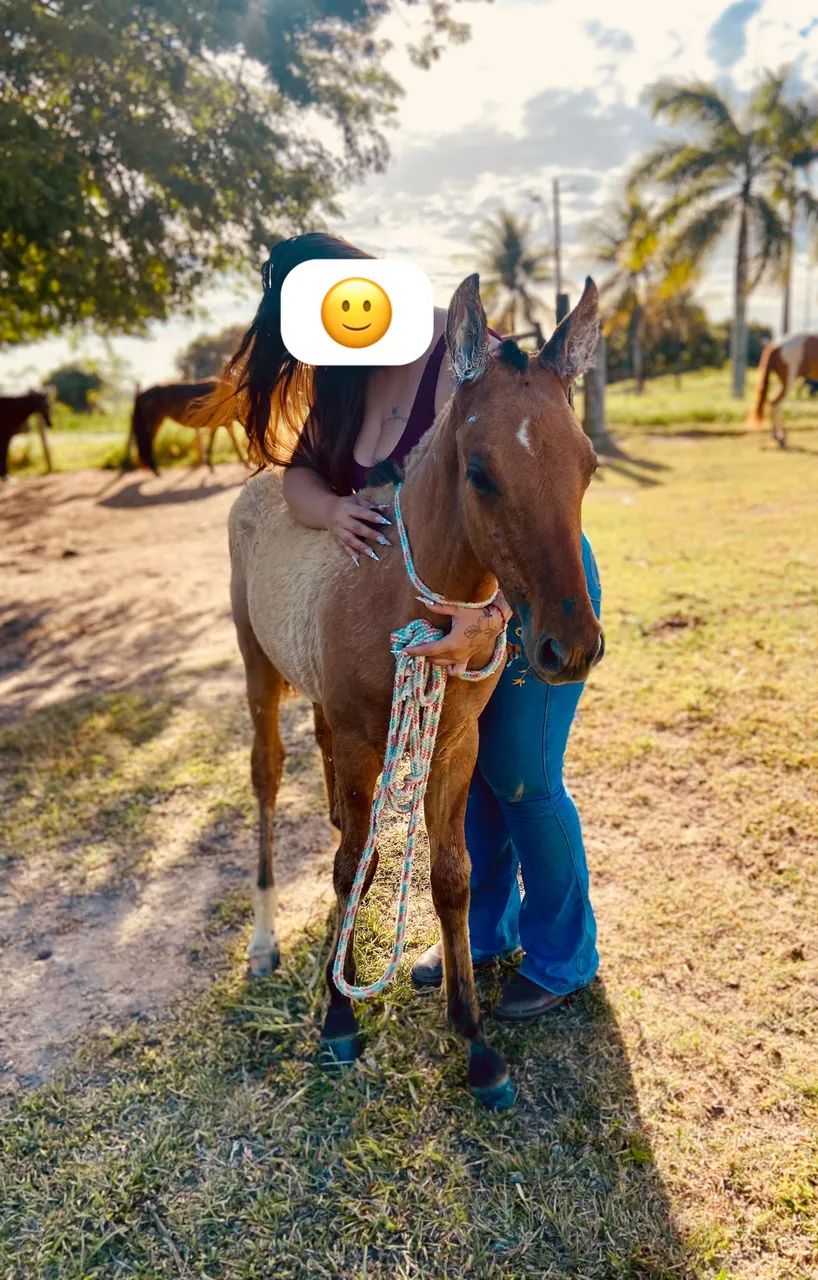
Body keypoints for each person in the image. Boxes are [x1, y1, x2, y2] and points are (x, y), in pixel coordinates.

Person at [230, 232, 602, 1020]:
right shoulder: (347, 385)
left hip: (531, 586)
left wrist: (497, 612)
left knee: (524, 775)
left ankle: (565, 955)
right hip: (435, 608)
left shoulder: (464, 355)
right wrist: (331, 507)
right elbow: (296, 478)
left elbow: (527, 483)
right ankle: (491, 933)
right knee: (471, 781)